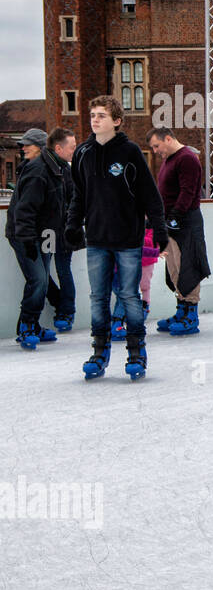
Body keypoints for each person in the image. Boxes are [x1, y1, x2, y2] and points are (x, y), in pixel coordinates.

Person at [66, 96, 168, 380]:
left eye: (101, 115)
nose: (95, 120)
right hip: (97, 239)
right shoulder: (84, 153)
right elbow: (79, 195)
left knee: (128, 296)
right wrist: (73, 225)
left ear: (117, 121)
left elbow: (150, 195)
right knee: (98, 298)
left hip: (127, 239)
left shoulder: (130, 152)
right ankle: (99, 351)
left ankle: (136, 350)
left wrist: (160, 230)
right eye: (93, 115)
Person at [148, 128, 210, 336]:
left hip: (185, 222)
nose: (156, 151)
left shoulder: (187, 159)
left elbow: (188, 191)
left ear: (168, 138)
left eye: (157, 146)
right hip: (171, 223)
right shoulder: (170, 160)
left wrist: (175, 215)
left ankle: (190, 314)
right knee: (174, 268)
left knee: (187, 266)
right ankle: (181, 310)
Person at [6, 128, 63, 349]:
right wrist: (28, 241)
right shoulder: (37, 169)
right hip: (27, 235)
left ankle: (33, 325)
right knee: (38, 279)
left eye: (27, 144)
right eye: (22, 144)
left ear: (40, 146)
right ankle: (27, 326)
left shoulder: (50, 168)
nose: (23, 147)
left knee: (42, 279)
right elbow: (24, 210)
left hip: (46, 234)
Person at [44, 127, 78, 332]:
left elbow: (75, 199)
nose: (74, 151)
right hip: (47, 231)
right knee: (42, 271)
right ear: (58, 148)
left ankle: (66, 310)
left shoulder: (68, 170)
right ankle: (61, 304)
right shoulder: (43, 168)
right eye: (71, 147)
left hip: (63, 230)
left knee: (63, 269)